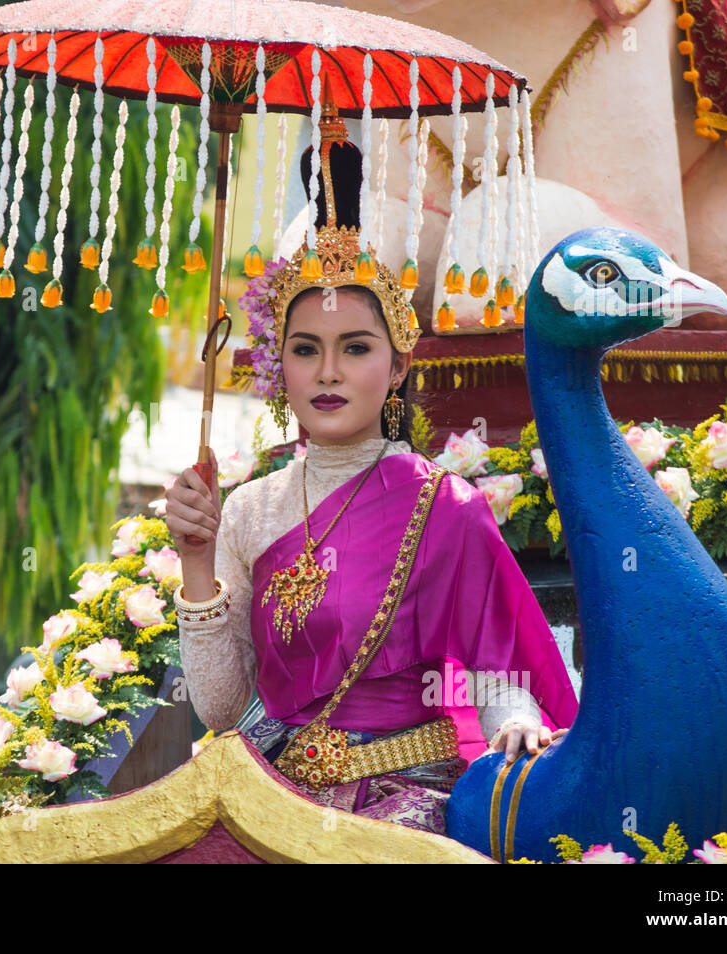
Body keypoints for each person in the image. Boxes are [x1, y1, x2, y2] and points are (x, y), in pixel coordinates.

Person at [165, 96, 578, 834]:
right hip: (273, 792)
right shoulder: (249, 508)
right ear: (279, 365)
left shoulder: (443, 507)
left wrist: (516, 720)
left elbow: (494, 663)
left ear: (396, 368)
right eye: (305, 349)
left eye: (355, 348)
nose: (328, 372)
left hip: (406, 794)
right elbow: (222, 709)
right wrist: (197, 564)